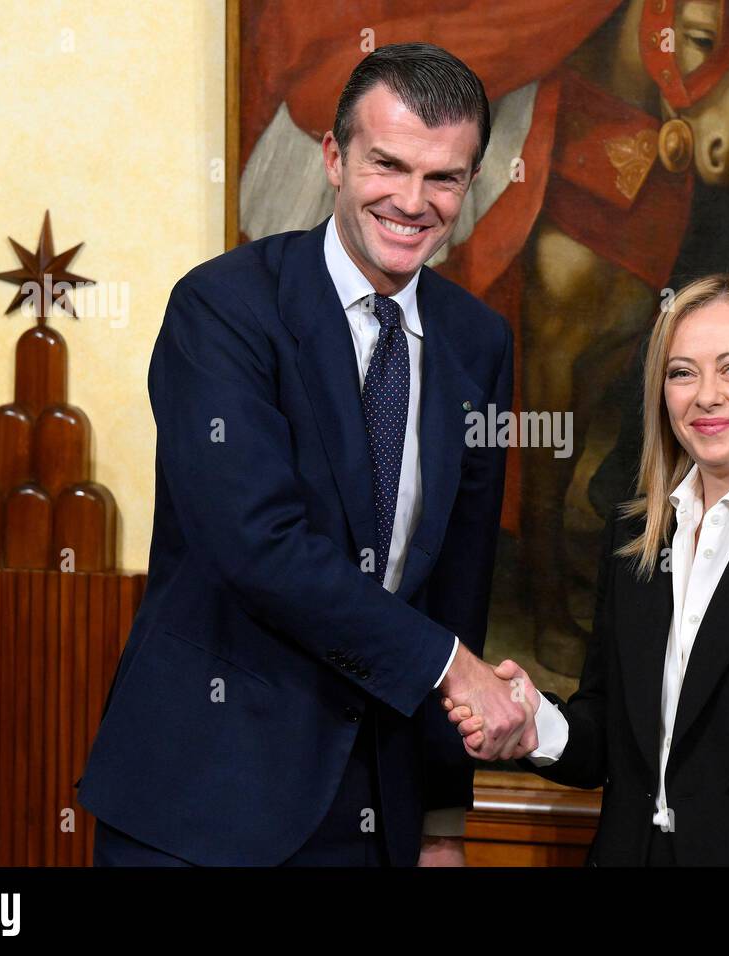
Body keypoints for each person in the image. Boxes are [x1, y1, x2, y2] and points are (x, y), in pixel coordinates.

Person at [78, 42, 534, 867]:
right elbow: (259, 545)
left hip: (374, 811)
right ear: (333, 157)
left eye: (444, 178)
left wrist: (440, 820)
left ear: (472, 183)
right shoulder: (222, 309)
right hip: (205, 797)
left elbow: (459, 584)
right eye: (387, 164)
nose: (411, 201)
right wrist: (449, 668)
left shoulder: (479, 340)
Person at [447, 274, 729, 865]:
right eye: (682, 372)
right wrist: (533, 720)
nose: (706, 395)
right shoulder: (637, 535)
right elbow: (611, 736)